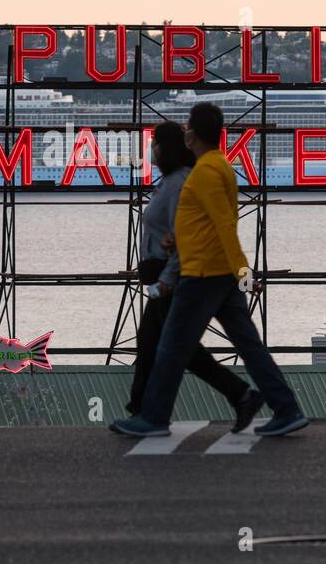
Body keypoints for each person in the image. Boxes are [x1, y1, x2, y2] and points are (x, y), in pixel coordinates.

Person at [110, 103, 308, 438]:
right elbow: (206, 221)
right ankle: (285, 408)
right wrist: (177, 239)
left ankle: (154, 418)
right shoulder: (220, 166)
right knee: (248, 345)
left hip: (203, 274)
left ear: (193, 134)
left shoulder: (204, 173)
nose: (184, 131)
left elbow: (224, 225)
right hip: (219, 273)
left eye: (187, 126)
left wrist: (244, 273)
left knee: (171, 347)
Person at [126, 121, 263, 431]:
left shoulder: (179, 183)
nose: (153, 150)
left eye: (156, 145)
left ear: (167, 148)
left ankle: (144, 412)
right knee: (171, 344)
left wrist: (164, 272)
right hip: (171, 272)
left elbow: (182, 232)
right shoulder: (172, 181)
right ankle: (239, 394)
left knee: (162, 343)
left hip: (173, 275)